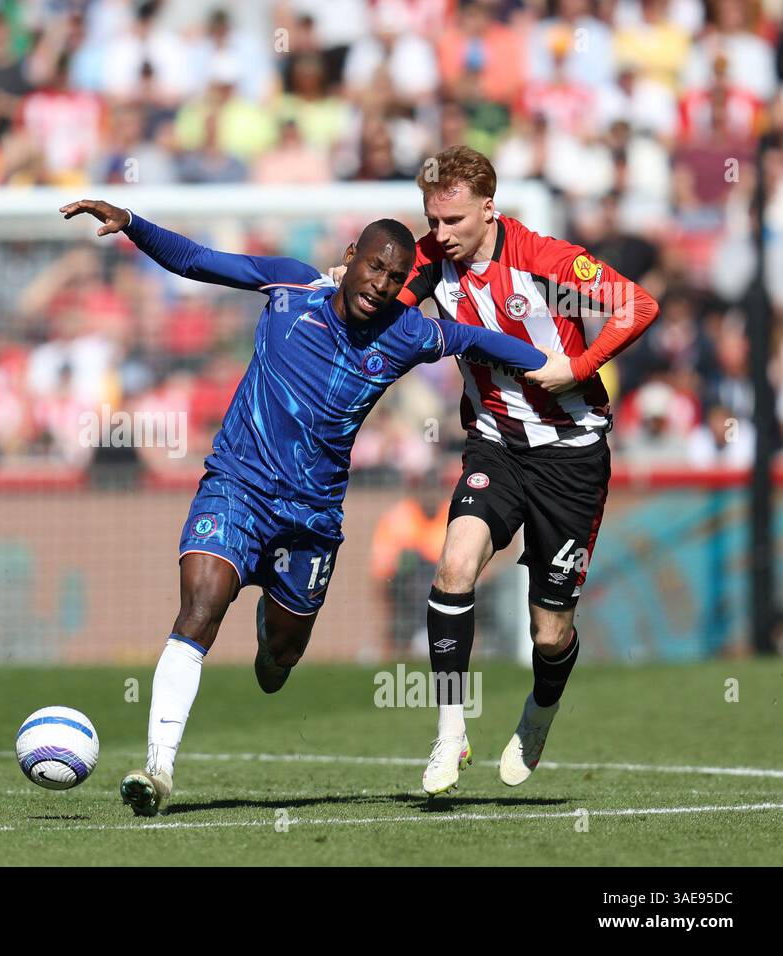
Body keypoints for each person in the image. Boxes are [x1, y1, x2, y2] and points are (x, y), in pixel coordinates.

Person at [60, 198, 555, 816]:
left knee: (281, 660)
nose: (381, 285)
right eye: (374, 267)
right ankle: (159, 769)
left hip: (312, 518)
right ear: (350, 259)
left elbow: (478, 338)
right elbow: (198, 261)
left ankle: (273, 639)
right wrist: (133, 224)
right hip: (236, 487)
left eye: (397, 278)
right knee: (201, 605)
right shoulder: (290, 285)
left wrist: (560, 367)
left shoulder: (409, 334)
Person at [397, 146, 659, 794]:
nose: (439, 234)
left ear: (490, 209)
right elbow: (387, 304)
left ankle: (541, 709)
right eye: (432, 219)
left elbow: (638, 305)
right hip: (495, 446)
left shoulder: (544, 259)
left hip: (571, 455)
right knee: (455, 566)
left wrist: (577, 365)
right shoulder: (432, 261)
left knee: (550, 632)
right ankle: (450, 733)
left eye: (453, 220)